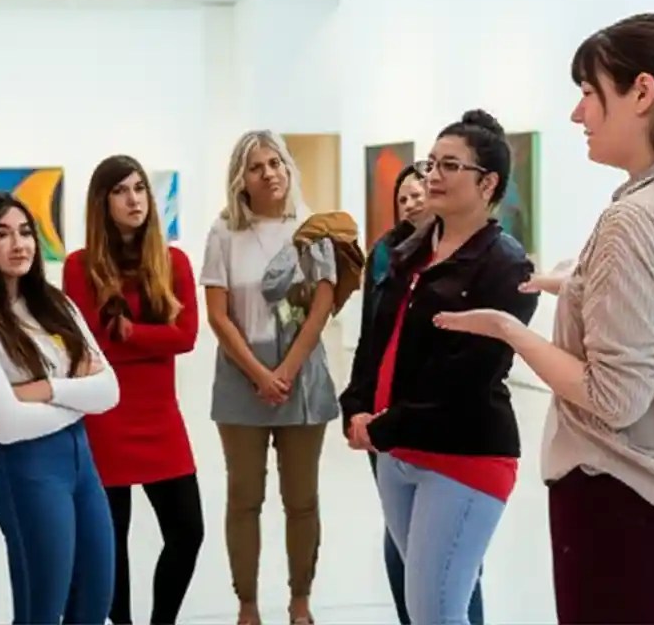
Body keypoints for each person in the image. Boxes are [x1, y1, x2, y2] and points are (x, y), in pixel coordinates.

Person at [435, 14, 654, 624]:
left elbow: (615, 397)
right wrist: (577, 286)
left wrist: (510, 329)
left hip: (629, 510)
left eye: (587, 92)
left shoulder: (635, 221)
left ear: (641, 92)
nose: (578, 115)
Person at [339, 109, 539, 625]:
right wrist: (356, 404)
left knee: (436, 611)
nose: (432, 174)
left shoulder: (505, 264)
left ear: (488, 182)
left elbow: (469, 375)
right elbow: (375, 338)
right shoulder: (408, 250)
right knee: (425, 603)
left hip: (462, 455)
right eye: (432, 162)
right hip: (395, 451)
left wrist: (385, 423)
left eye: (450, 165)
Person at [0, 192, 120, 625]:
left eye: (25, 232)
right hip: (26, 469)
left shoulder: (56, 305)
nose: (19, 244)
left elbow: (110, 390)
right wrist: (76, 393)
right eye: (2, 234)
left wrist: (42, 389)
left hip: (81, 464)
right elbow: (6, 423)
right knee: (42, 607)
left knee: (96, 598)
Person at [200, 130, 341, 625]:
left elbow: (323, 300)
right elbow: (218, 314)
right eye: (257, 166)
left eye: (276, 162)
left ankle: (300, 601)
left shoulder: (312, 227)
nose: (269, 173)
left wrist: (286, 369)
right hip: (242, 374)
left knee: (301, 499)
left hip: (301, 373)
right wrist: (259, 372)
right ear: (242, 178)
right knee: (244, 499)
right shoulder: (223, 233)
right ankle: (247, 605)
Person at [62, 155, 203, 625]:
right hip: (106, 415)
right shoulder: (80, 267)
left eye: (140, 188)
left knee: (187, 530)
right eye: (121, 191)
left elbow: (185, 337)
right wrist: (141, 338)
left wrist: (131, 334)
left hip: (160, 415)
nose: (134, 199)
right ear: (102, 202)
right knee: (110, 539)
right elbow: (89, 345)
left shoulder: (173, 261)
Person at [356, 166, 485, 625]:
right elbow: (371, 333)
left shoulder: (472, 256)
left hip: (439, 424)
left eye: (418, 194)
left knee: (453, 552)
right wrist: (360, 403)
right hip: (384, 421)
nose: (411, 203)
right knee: (400, 538)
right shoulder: (386, 254)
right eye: (403, 197)